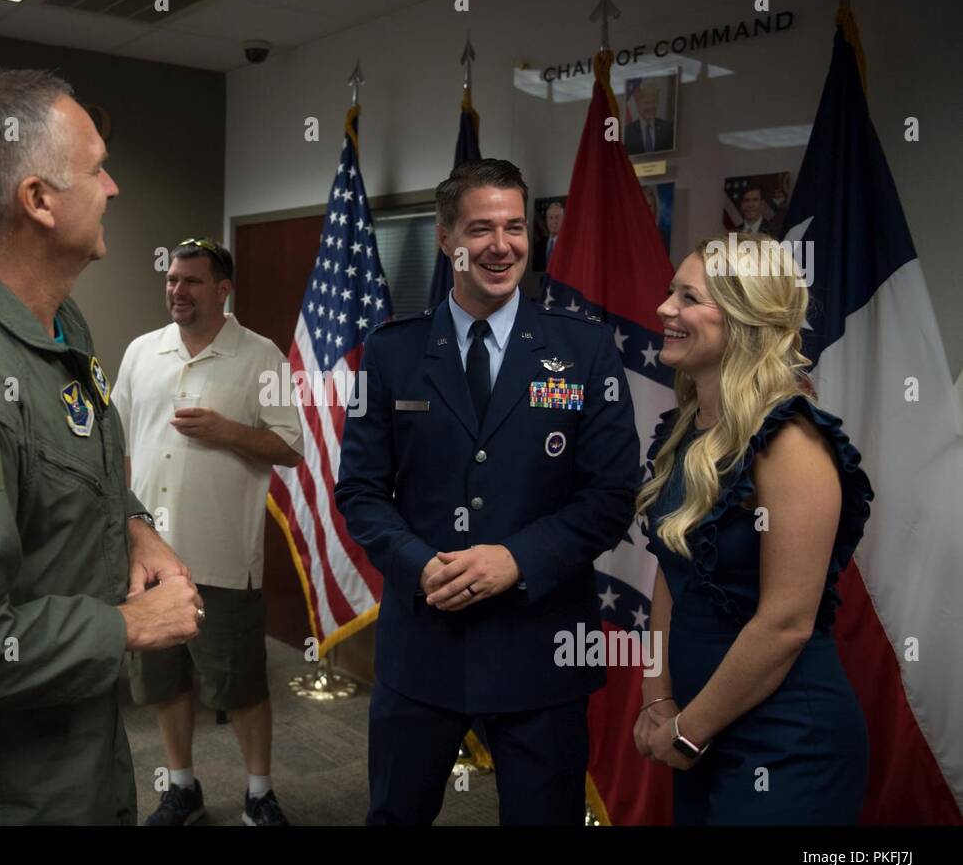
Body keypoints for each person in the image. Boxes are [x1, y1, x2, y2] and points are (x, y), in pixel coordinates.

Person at [0, 68, 203, 824]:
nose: (113, 187)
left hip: (81, 749)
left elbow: (82, 462)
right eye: (97, 168)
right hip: (6, 792)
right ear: (39, 201)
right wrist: (128, 626)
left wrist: (134, 524)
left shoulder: (58, 326)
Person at [335, 158, 639, 825]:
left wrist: (516, 560)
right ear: (447, 240)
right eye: (480, 228)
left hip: (541, 652)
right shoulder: (391, 353)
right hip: (423, 647)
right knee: (395, 816)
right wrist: (421, 566)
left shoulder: (584, 351)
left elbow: (612, 494)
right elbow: (359, 489)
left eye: (514, 227)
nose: (501, 246)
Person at [634, 232, 873, 824]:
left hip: (786, 741)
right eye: (671, 292)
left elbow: (787, 623)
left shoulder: (792, 439)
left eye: (687, 297)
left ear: (743, 320)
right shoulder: (687, 430)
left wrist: (689, 729)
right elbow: (673, 568)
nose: (665, 309)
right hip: (698, 730)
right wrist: (659, 695)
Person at [112, 238, 304, 826]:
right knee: (166, 683)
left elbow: (290, 447)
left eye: (192, 282)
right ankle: (182, 787)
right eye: (172, 280)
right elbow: (115, 445)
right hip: (151, 561)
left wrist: (228, 431)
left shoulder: (260, 355)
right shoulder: (143, 352)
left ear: (223, 290)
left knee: (241, 685)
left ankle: (259, 793)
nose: (177, 291)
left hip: (222, 555)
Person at [624, 81, 675, 154]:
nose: (651, 106)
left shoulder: (668, 128)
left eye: (654, 102)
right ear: (638, 104)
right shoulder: (627, 132)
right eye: (646, 103)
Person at [533, 200, 564, 272]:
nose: (554, 221)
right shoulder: (539, 245)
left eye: (557, 217)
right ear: (546, 220)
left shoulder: (569, 246)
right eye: (551, 217)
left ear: (563, 220)